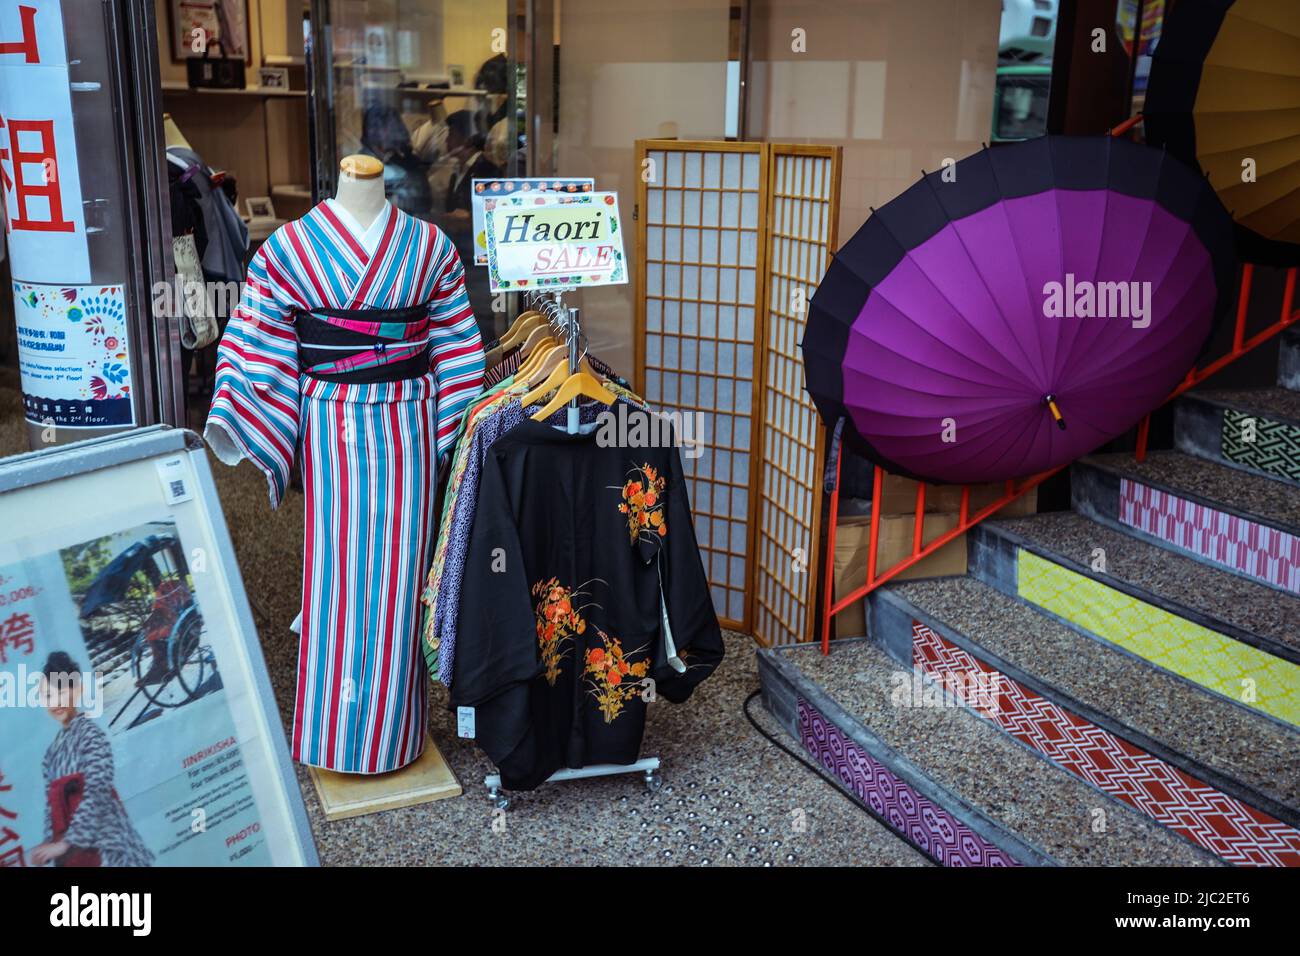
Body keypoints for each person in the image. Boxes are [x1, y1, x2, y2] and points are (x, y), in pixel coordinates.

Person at [30, 653, 154, 867]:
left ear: (77, 691)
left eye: (61, 692)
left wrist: (66, 843)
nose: (55, 702)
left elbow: (98, 789)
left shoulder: (91, 735)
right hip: (70, 851)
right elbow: (52, 807)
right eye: (48, 696)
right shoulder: (51, 753)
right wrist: (49, 844)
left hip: (105, 844)